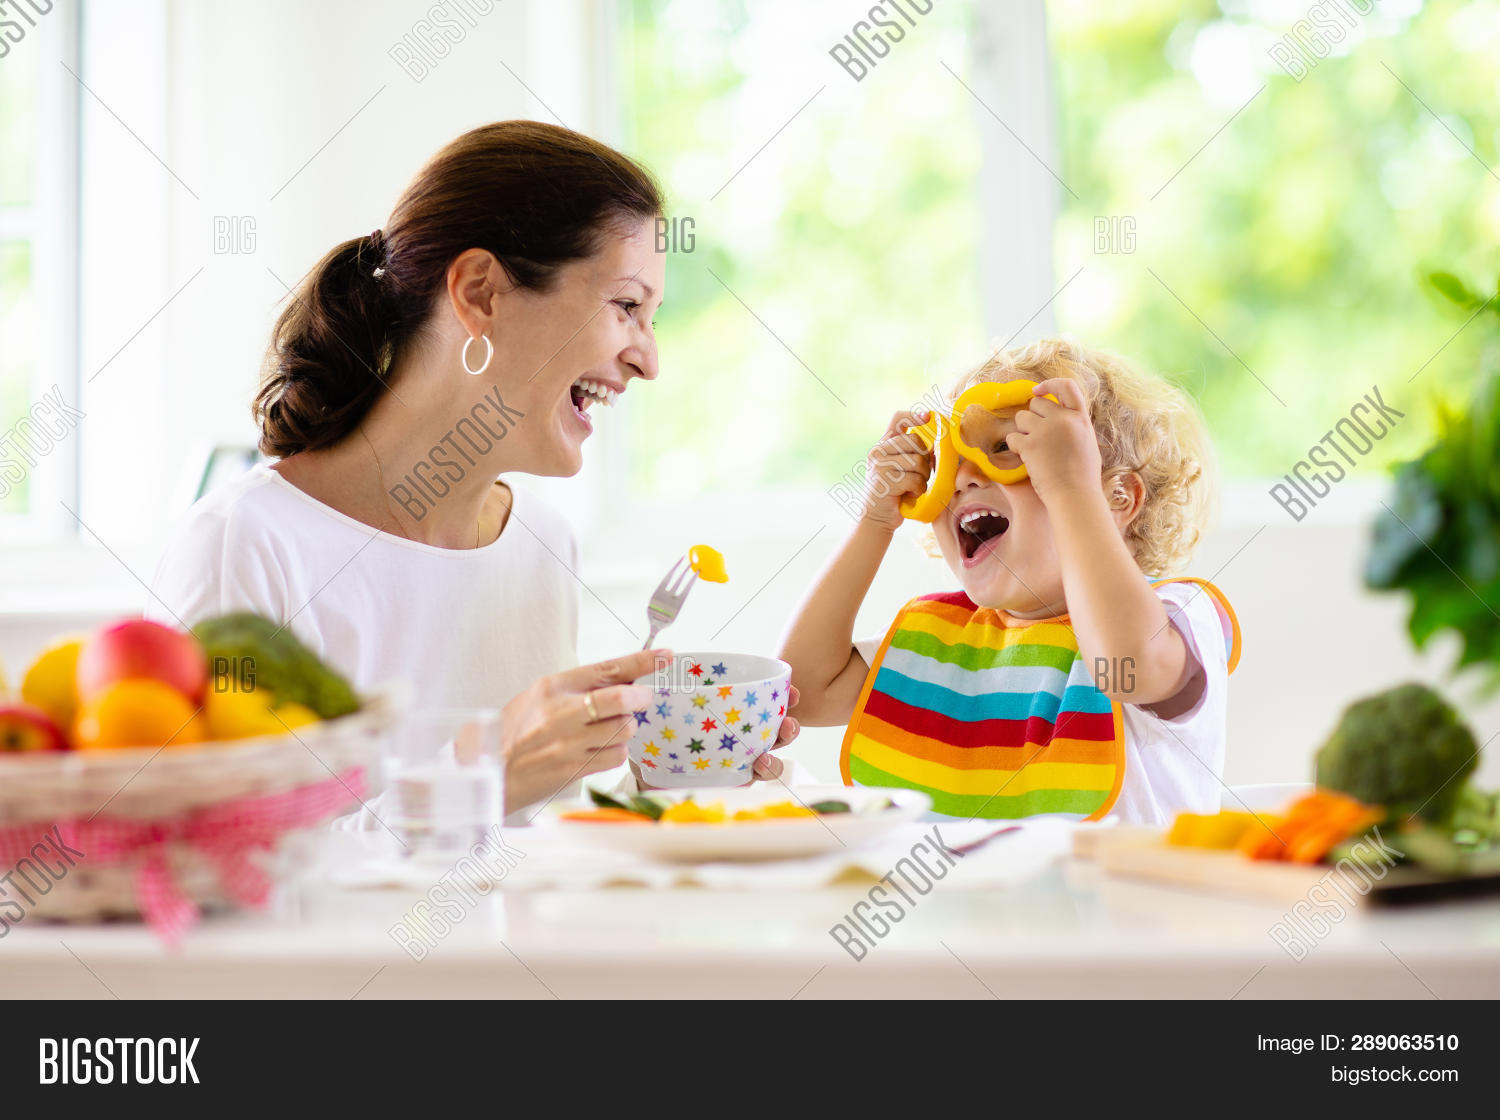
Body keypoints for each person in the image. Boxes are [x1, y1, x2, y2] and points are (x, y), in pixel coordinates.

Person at [150, 121, 797, 823]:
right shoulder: (245, 545)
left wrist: (664, 776)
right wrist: (478, 777)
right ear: (482, 292)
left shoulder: (544, 545)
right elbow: (210, 869)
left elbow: (518, 858)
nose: (649, 358)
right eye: (626, 306)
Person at [779, 338, 1240, 825]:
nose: (962, 479)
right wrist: (874, 522)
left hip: (1125, 902)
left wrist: (1070, 488)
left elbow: (1126, 666)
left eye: (1006, 449)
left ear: (1117, 497)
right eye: (949, 464)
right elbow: (798, 691)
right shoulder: (940, 639)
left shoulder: (1176, 615)